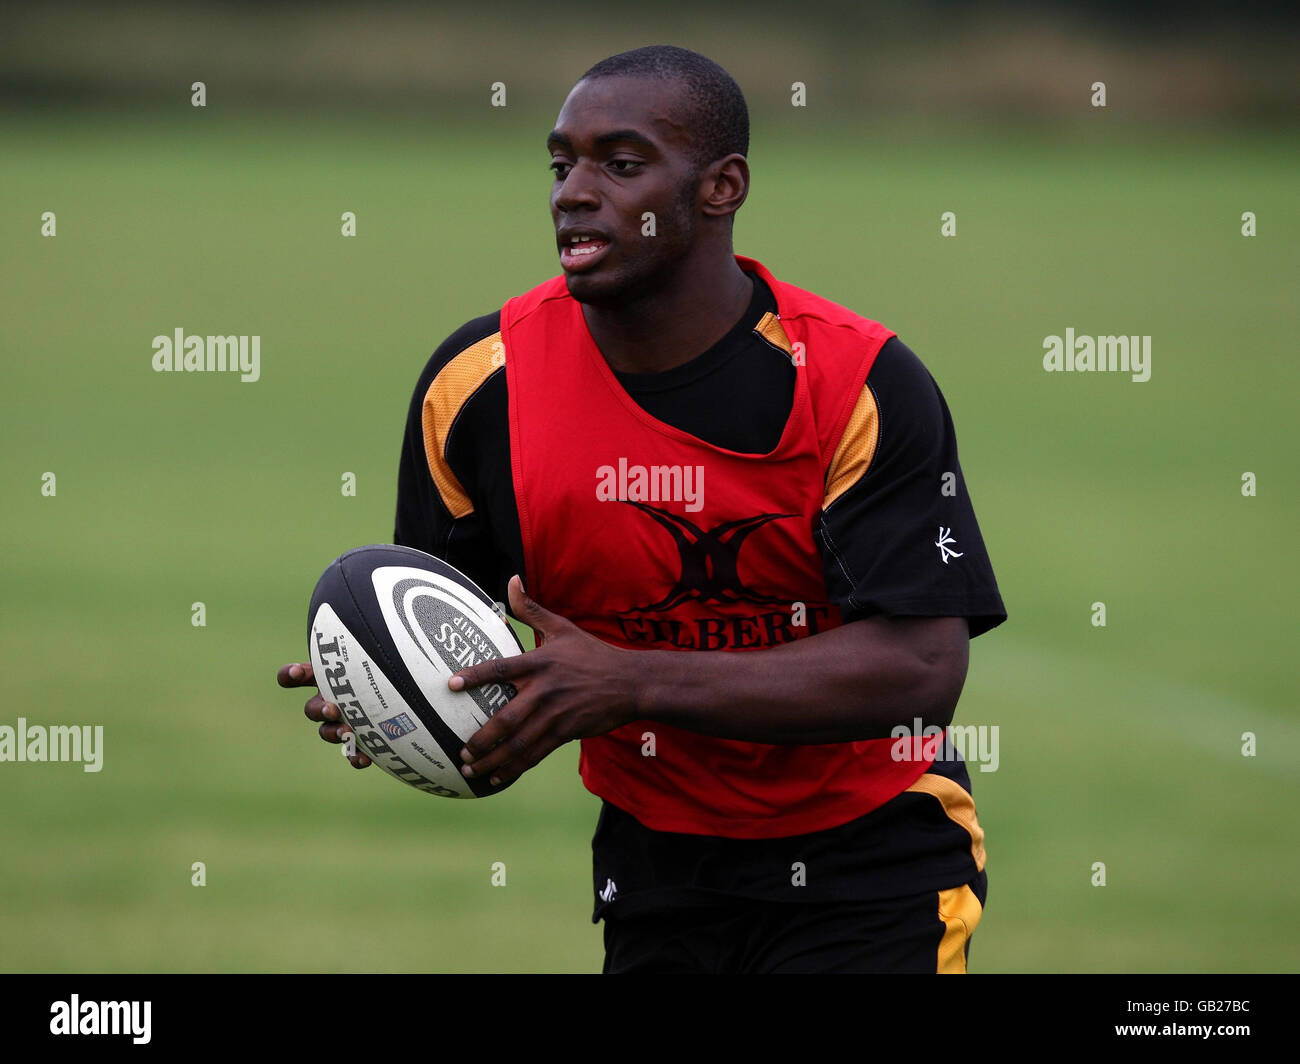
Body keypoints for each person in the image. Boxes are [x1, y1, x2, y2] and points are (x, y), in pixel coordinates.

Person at [278, 44, 1006, 974]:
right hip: (655, 864)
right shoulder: (479, 389)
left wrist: (630, 682)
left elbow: (920, 668)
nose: (572, 192)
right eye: (561, 164)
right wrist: (383, 686)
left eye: (620, 166)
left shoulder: (856, 381)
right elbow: (453, 639)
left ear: (721, 187)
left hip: (873, 856)